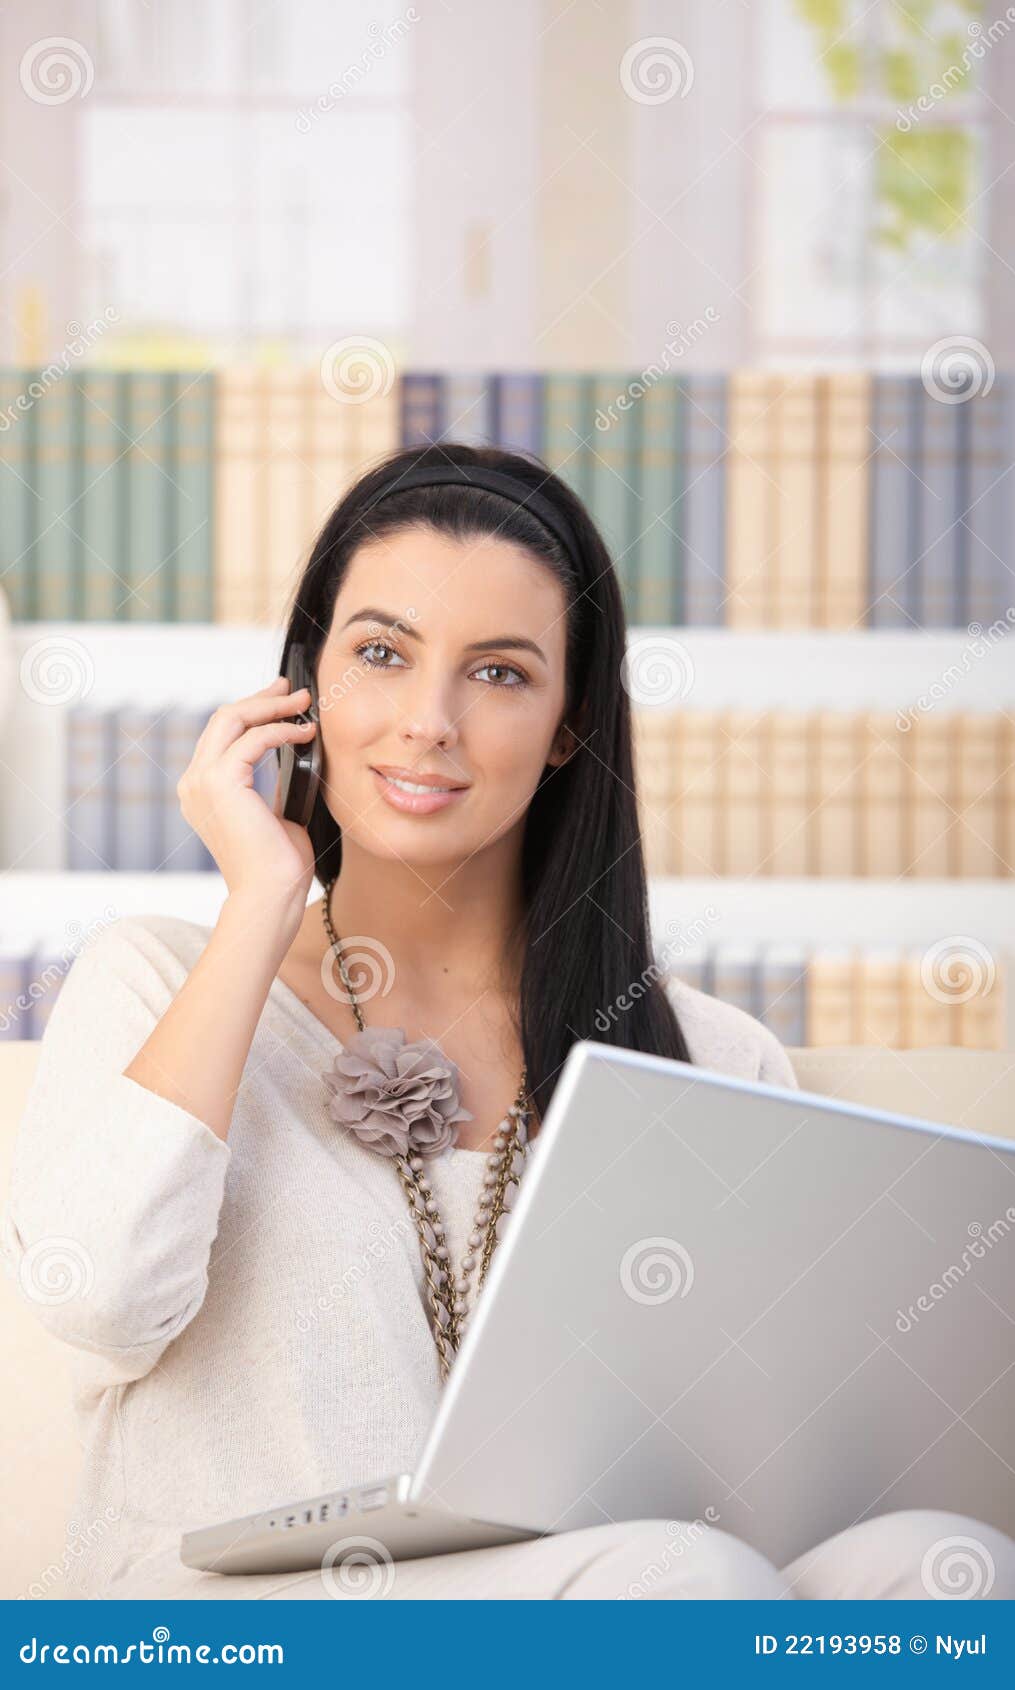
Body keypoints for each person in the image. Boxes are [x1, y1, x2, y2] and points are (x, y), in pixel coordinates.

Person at [4, 444, 1014, 1602]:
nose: (429, 721)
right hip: (230, 1617)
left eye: (498, 674)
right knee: (681, 1577)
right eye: (380, 654)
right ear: (305, 689)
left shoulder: (707, 1056)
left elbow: (775, 1444)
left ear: (568, 723)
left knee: (945, 1564)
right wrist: (260, 903)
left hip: (588, 1583)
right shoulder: (157, 977)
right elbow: (100, 1305)